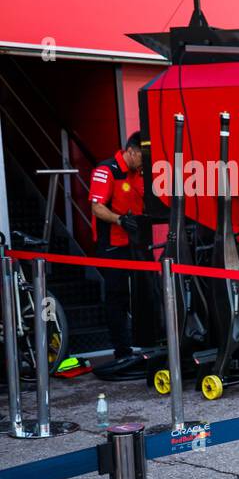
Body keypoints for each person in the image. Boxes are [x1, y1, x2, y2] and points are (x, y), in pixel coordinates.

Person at [88, 132, 145, 360]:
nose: (144, 162)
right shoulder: (106, 170)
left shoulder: (141, 173)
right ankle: (122, 351)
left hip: (137, 243)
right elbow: (97, 207)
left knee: (146, 291)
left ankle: (148, 342)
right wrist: (119, 219)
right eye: (142, 156)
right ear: (131, 151)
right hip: (112, 244)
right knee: (117, 296)